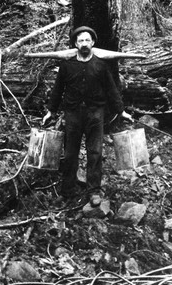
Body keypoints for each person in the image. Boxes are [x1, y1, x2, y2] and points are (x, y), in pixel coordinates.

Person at [42, 26, 131, 207]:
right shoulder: (67, 66)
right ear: (75, 44)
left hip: (95, 114)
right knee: (70, 153)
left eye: (87, 40)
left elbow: (111, 89)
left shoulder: (101, 65)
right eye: (80, 40)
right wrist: (51, 111)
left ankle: (94, 191)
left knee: (95, 152)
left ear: (93, 43)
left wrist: (121, 111)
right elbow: (58, 89)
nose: (84, 43)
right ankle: (68, 190)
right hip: (73, 114)